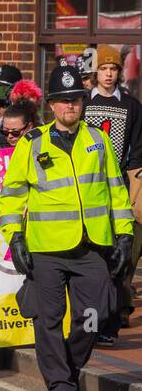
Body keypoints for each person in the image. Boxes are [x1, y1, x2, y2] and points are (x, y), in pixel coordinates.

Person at [0, 66, 133, 391]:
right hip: (46, 248)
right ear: (52, 106)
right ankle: (59, 389)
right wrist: (15, 238)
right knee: (48, 320)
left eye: (75, 100)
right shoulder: (32, 143)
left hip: (91, 246)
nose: (69, 107)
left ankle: (68, 371)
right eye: (62, 101)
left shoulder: (98, 141)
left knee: (91, 317)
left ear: (82, 102)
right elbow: (12, 194)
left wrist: (124, 236)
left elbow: (116, 193)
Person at [83, 44, 142, 340]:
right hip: (87, 189)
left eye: (113, 69)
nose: (108, 74)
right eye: (104, 69)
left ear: (119, 73)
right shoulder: (82, 102)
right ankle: (91, 321)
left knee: (120, 257)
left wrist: (134, 190)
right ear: (96, 72)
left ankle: (111, 322)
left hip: (118, 187)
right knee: (93, 258)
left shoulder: (131, 106)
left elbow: (137, 152)